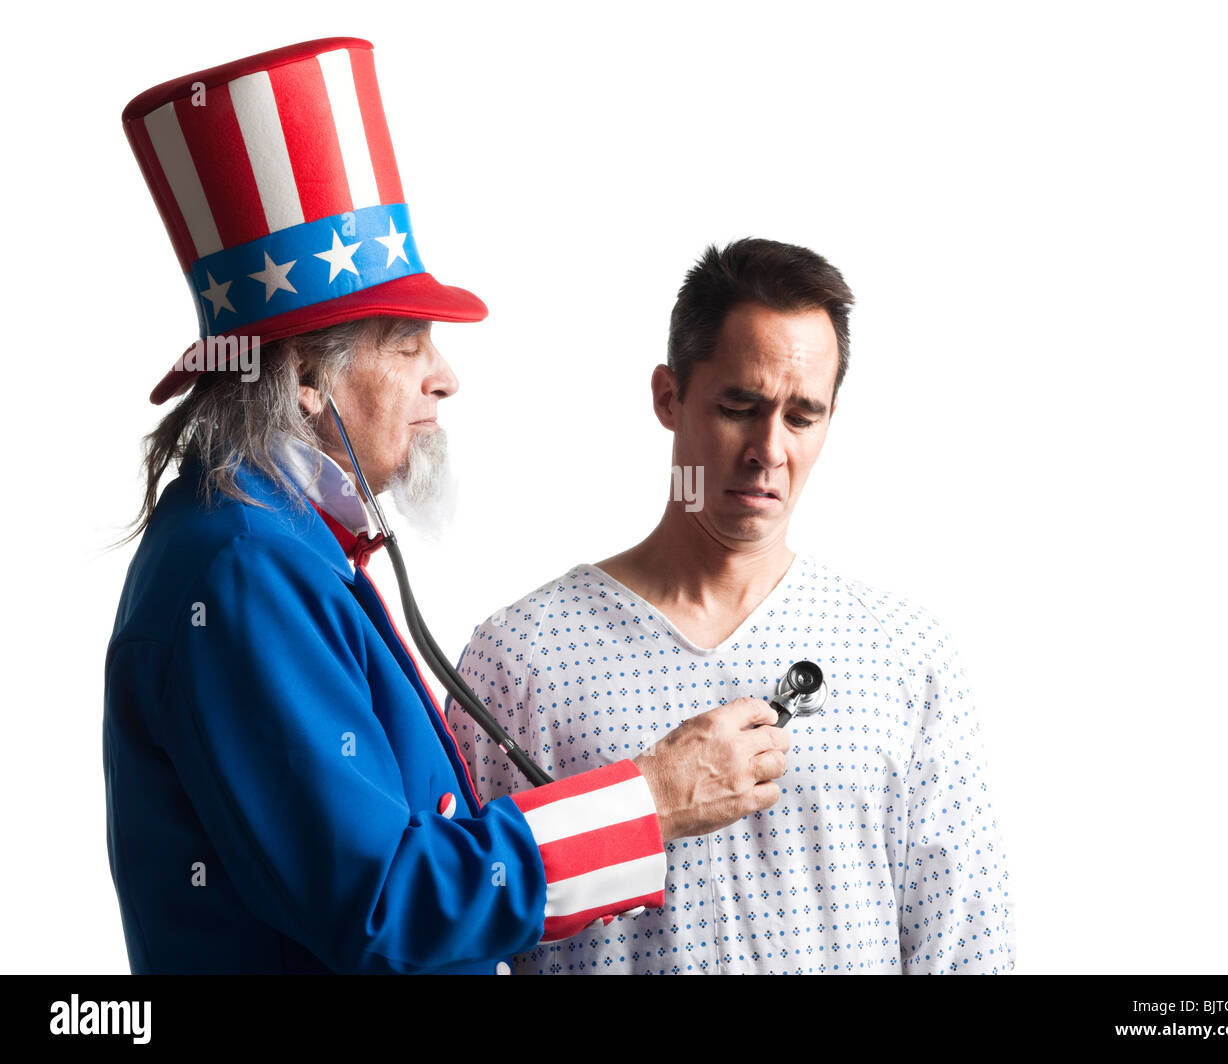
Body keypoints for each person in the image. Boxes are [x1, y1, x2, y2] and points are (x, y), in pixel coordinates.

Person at [104, 38, 790, 976]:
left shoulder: (280, 545)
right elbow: (383, 906)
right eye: (407, 343)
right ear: (306, 372)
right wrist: (652, 799)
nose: (445, 378)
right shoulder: (242, 566)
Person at [450, 238, 1017, 974]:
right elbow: (458, 920)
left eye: (802, 416)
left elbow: (966, 940)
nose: (768, 449)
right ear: (668, 396)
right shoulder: (521, 659)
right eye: (739, 407)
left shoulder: (905, 656)